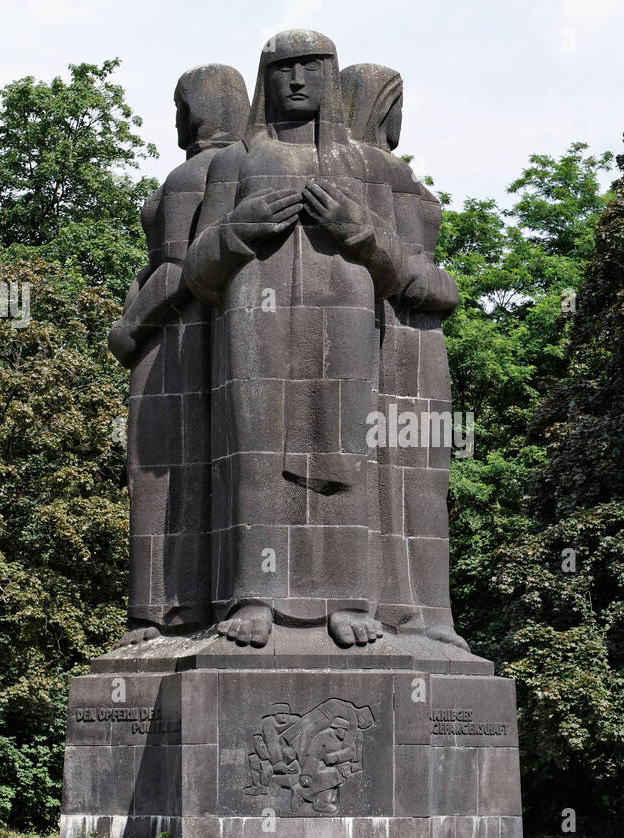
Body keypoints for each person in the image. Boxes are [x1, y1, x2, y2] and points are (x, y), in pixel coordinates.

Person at [183, 30, 413, 649]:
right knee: (255, 457)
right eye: (283, 69)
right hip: (253, 328)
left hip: (344, 325)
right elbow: (196, 271)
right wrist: (238, 229)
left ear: (332, 77)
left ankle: (347, 600)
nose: (297, 80)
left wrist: (359, 229)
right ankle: (255, 597)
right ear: (266, 80)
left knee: (343, 459)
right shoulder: (235, 163)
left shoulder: (364, 168)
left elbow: (403, 273)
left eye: (312, 67)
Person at [109, 65, 249, 646]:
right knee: (204, 478)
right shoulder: (247, 164)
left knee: (160, 479)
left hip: (171, 343)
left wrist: (128, 326)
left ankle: (154, 616)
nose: (177, 119)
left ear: (200, 107)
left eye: (180, 105)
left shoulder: (194, 174)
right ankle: (194, 611)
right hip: (217, 342)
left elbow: (174, 269)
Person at [341, 63, 467, 649]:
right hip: (390, 341)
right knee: (392, 484)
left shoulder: (391, 178)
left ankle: (423, 615)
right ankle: (411, 615)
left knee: (415, 486)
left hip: (408, 345)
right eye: (394, 103)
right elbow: (423, 279)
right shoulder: (379, 175)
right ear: (379, 108)